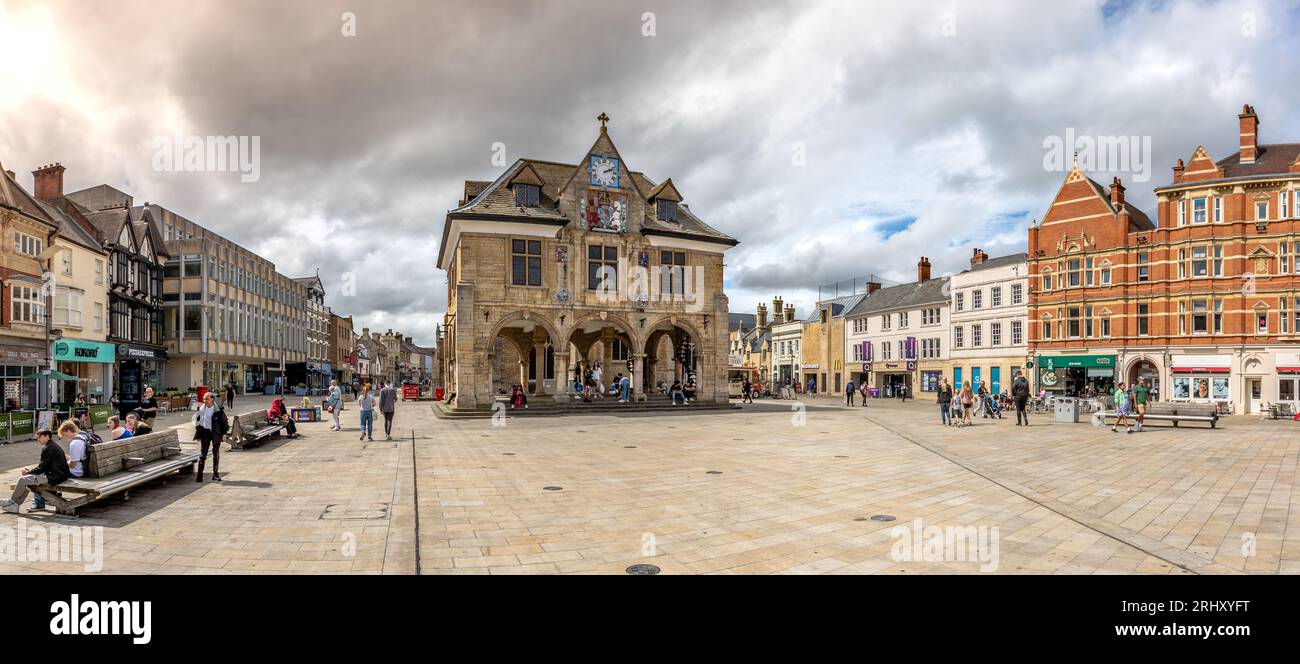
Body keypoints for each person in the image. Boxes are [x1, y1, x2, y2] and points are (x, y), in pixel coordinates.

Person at [2, 427, 71, 514]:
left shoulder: (48, 448)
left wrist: (29, 472)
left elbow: (42, 468)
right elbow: (43, 466)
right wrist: (30, 472)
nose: (38, 439)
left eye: (39, 437)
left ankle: (12, 502)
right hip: (58, 475)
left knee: (23, 480)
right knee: (27, 481)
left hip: (54, 476)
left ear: (47, 436)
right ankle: (15, 505)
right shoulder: (52, 445)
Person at [193, 391, 229, 482]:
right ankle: (199, 475)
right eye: (204, 399)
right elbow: (197, 422)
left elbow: (224, 422)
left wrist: (224, 433)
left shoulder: (218, 409)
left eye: (207, 399)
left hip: (215, 433)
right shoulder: (201, 409)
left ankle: (215, 474)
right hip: (205, 433)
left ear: (212, 399)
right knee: (203, 454)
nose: (205, 400)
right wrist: (198, 433)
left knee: (215, 454)